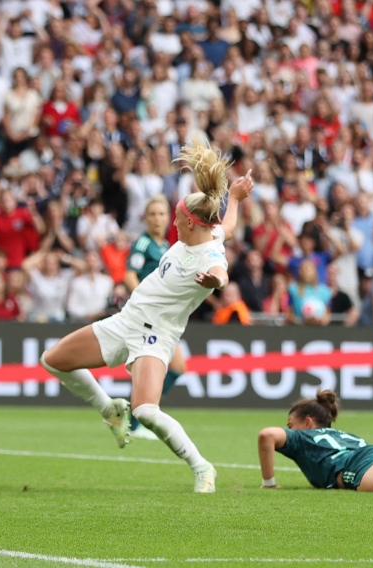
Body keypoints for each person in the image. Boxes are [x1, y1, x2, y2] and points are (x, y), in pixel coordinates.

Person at [40, 136, 253, 493]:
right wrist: (236, 197)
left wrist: (215, 280)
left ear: (191, 223)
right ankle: (109, 410)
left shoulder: (210, 256)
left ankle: (201, 467)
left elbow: (221, 272)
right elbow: (227, 226)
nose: (173, 223)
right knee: (53, 360)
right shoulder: (205, 235)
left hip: (155, 336)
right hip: (125, 321)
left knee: (147, 411)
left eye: (177, 218)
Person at [122, 195, 189, 441]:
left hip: (164, 317)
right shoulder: (143, 244)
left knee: (177, 367)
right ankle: (137, 422)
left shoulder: (164, 246)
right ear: (146, 218)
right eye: (153, 214)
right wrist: (146, 302)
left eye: (162, 214)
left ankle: (137, 417)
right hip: (150, 316)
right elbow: (130, 275)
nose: (158, 219)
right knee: (149, 369)